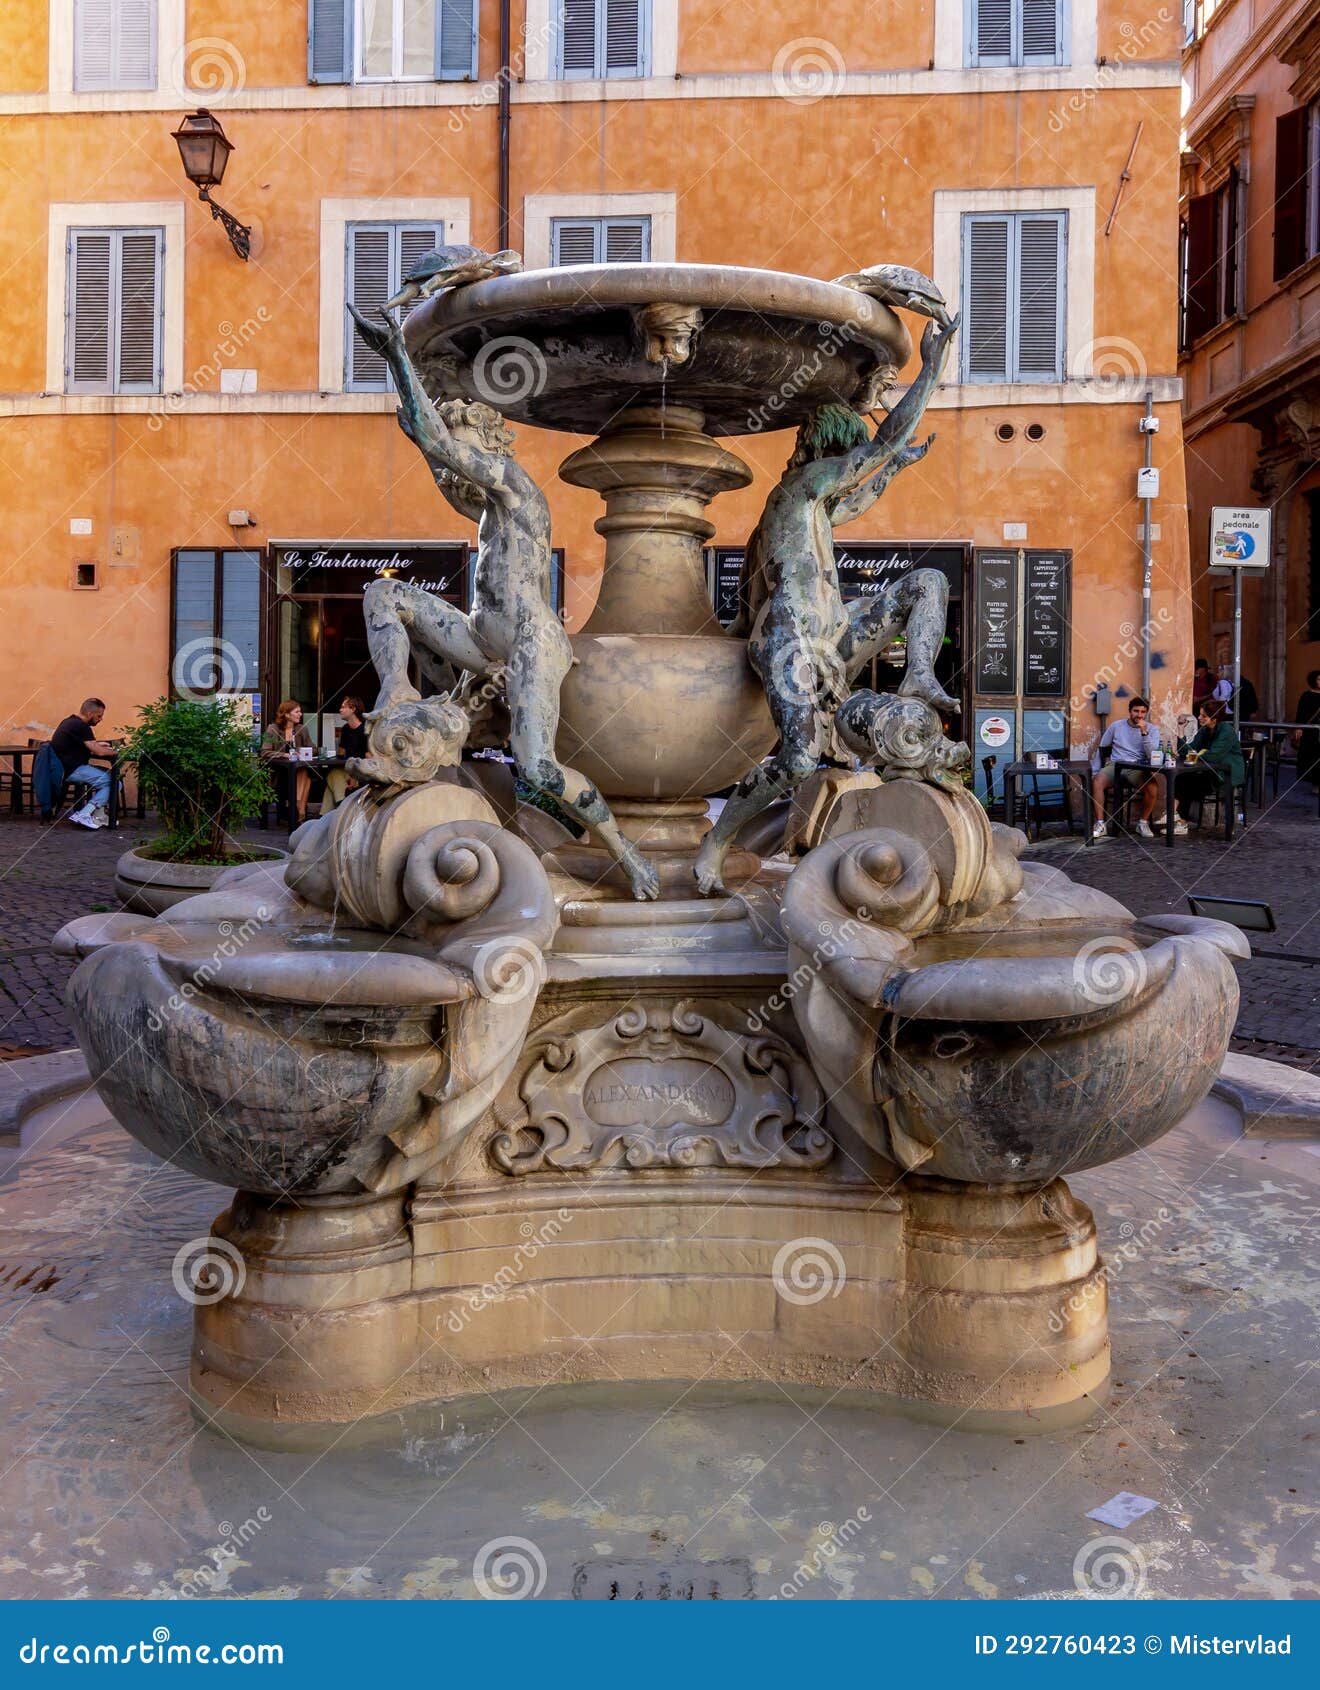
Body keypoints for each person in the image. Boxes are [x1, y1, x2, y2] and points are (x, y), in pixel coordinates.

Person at [1090, 695, 1161, 838]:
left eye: (1142, 712)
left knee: (1152, 786)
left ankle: (1142, 823)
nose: (1139, 715)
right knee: (1097, 781)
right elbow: (1102, 748)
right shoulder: (1117, 726)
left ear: (1146, 713)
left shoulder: (1152, 729)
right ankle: (1100, 823)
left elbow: (1152, 754)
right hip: (1115, 766)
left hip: (1137, 768)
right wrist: (1096, 771)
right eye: (1136, 711)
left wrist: (1144, 733)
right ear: (1130, 711)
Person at [1172, 699, 1246, 832]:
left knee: (1188, 782)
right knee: (1182, 779)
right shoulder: (1205, 730)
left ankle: (1178, 818)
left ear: (1214, 718)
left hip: (1227, 774)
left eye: (1203, 716)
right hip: (1210, 770)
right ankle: (1178, 819)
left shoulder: (1226, 731)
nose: (1199, 717)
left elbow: (1213, 756)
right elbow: (1185, 751)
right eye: (1200, 714)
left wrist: (1194, 755)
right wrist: (1181, 732)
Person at [51, 697, 114, 830]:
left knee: (111, 780)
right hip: (72, 770)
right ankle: (85, 813)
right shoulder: (81, 726)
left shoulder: (70, 721)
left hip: (64, 768)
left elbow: (83, 744)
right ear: (90, 714)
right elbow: (100, 753)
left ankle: (99, 816)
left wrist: (97, 744)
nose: (100, 719)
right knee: (113, 782)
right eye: (99, 716)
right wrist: (118, 751)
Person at [259, 699, 315, 826]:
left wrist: (303, 751)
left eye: (300, 711)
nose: (300, 714)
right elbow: (264, 752)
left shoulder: (301, 729)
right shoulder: (272, 729)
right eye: (297, 711)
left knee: (305, 772)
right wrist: (283, 755)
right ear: (287, 714)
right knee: (305, 774)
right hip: (278, 772)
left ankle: (297, 809)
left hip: (295, 771)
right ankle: (299, 810)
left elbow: (313, 748)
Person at [322, 696, 368, 813]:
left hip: (360, 772)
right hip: (347, 769)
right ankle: (333, 812)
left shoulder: (366, 729)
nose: (340, 710)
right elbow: (341, 753)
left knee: (333, 776)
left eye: (343, 707)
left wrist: (354, 775)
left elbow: (369, 757)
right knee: (333, 776)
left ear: (353, 709)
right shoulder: (346, 729)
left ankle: (341, 808)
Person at [1294, 669, 1320, 794]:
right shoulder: (1307, 695)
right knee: (1313, 757)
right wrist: (1299, 728)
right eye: (1319, 679)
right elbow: (1302, 713)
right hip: (1312, 733)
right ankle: (1316, 784)